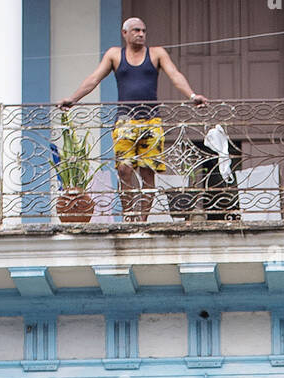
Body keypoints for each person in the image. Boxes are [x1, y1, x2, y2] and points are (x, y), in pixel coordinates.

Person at [59, 16, 208, 223]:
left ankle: (142, 219)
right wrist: (72, 99)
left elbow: (175, 75)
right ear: (125, 33)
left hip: (151, 120)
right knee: (124, 169)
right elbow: (94, 79)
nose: (141, 34)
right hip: (126, 120)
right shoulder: (115, 55)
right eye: (136, 30)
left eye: (143, 31)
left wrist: (192, 96)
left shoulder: (156, 54)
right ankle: (129, 215)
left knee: (148, 173)